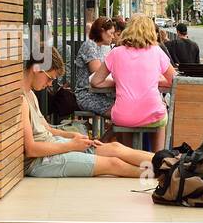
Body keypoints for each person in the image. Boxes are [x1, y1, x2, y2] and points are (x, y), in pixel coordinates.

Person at [22, 46, 154, 178]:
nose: (50, 84)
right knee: (113, 164)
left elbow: (47, 129)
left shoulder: (31, 95)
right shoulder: (22, 100)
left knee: (114, 147)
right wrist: (71, 146)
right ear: (37, 69)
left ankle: (167, 161)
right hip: (40, 161)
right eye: (49, 78)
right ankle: (163, 175)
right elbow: (31, 149)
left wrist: (72, 136)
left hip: (53, 144)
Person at [91, 15, 176, 149]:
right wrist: (154, 81)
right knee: (161, 117)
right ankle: (157, 157)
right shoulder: (157, 51)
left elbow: (96, 81)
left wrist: (119, 82)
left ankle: (129, 156)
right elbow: (174, 81)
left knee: (125, 127)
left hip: (123, 115)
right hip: (152, 113)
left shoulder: (115, 53)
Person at [74, 17, 117, 119]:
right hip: (87, 95)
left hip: (97, 93)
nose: (113, 36)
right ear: (102, 31)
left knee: (126, 111)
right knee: (121, 115)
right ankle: (104, 136)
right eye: (111, 33)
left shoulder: (99, 47)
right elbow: (97, 73)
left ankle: (103, 136)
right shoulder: (90, 46)